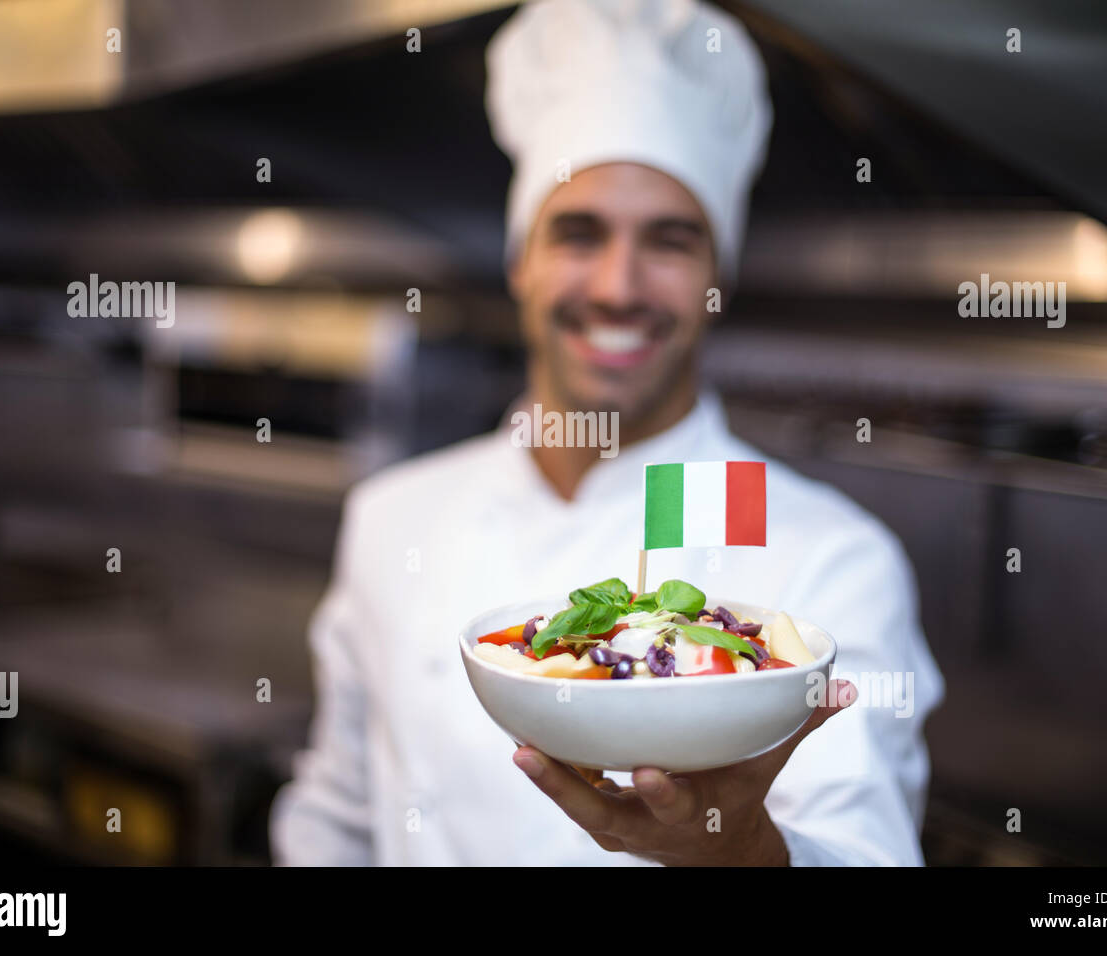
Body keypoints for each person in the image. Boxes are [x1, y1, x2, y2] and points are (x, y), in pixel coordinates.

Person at [269, 0, 945, 866]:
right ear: (522, 260)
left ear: (716, 279)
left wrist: (741, 851)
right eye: (579, 233)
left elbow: (870, 851)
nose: (620, 286)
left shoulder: (827, 556)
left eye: (669, 242)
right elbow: (338, 817)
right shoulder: (393, 518)